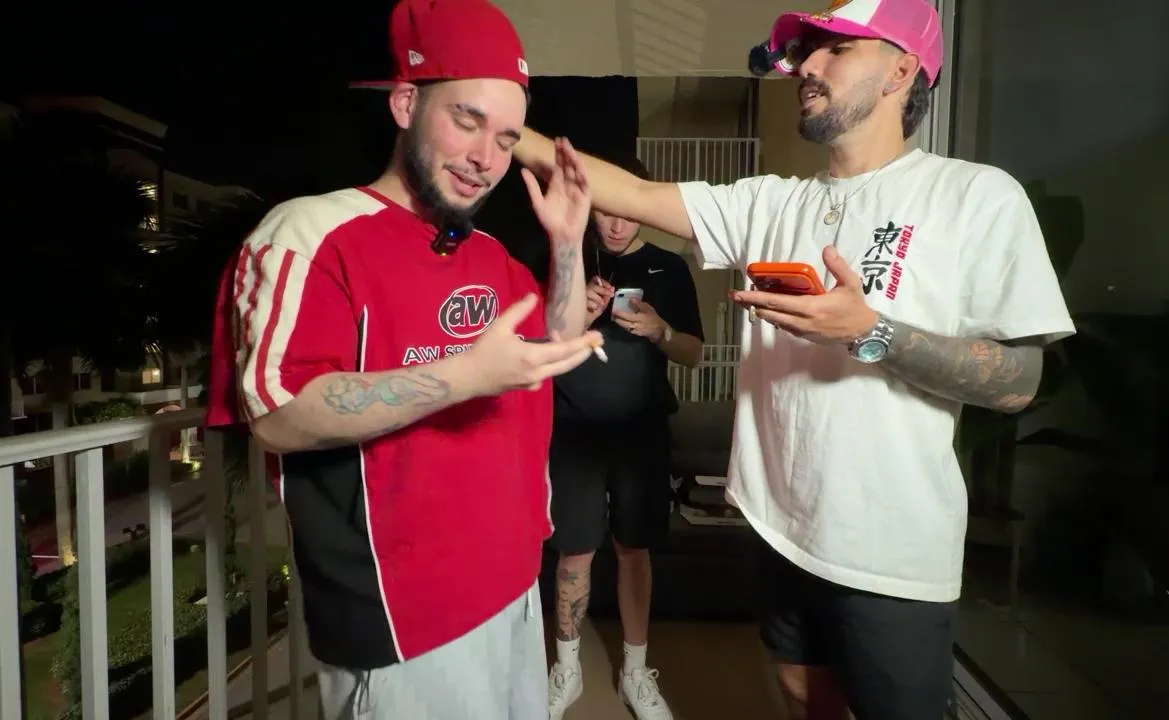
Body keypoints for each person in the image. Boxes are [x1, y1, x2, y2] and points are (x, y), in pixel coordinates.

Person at [514, 0, 1076, 718]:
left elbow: (1019, 381)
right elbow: (631, 191)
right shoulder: (770, 203)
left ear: (901, 71)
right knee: (804, 700)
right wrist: (499, 126)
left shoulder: (975, 196)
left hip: (891, 555)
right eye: (808, 50)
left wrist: (872, 331)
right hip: (779, 532)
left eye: (836, 49)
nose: (807, 65)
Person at [203, 0, 604, 717]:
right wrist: (465, 376)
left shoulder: (490, 254)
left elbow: (557, 340)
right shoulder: (310, 233)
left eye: (506, 139)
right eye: (467, 121)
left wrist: (568, 242)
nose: (486, 159)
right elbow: (278, 416)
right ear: (405, 103)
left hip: (514, 586)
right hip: (403, 619)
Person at [546, 157, 704, 720]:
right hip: (572, 430)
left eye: (626, 212)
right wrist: (575, 317)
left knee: (634, 550)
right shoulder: (565, 258)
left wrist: (662, 330)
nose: (616, 225)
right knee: (574, 551)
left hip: (641, 433)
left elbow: (693, 352)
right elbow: (538, 348)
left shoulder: (669, 267)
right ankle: (566, 668)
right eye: (605, 212)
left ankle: (636, 671)